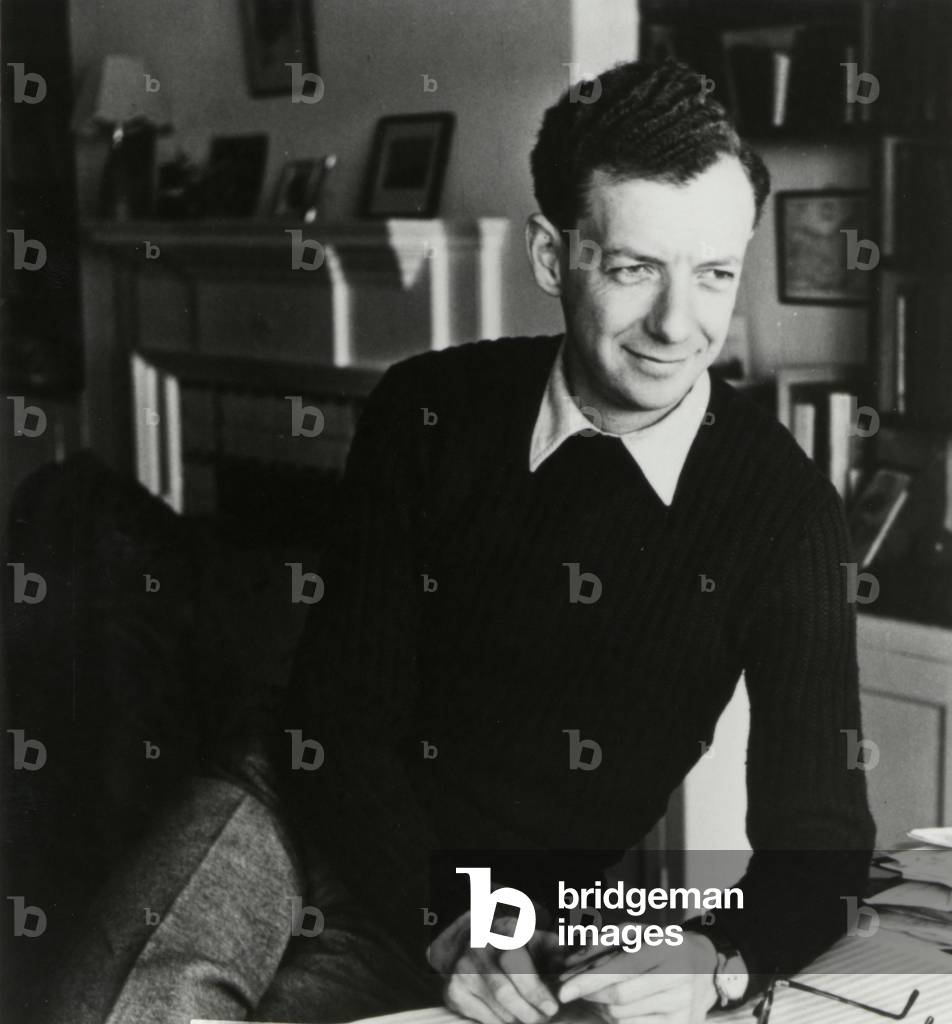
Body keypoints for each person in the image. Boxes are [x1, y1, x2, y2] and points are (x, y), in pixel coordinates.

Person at [39, 57, 874, 1024]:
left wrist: (721, 958)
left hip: (511, 908)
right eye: (635, 268)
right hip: (288, 807)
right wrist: (444, 920)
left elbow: (821, 839)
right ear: (552, 257)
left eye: (715, 274)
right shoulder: (427, 409)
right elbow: (338, 716)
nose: (679, 325)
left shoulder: (788, 513)